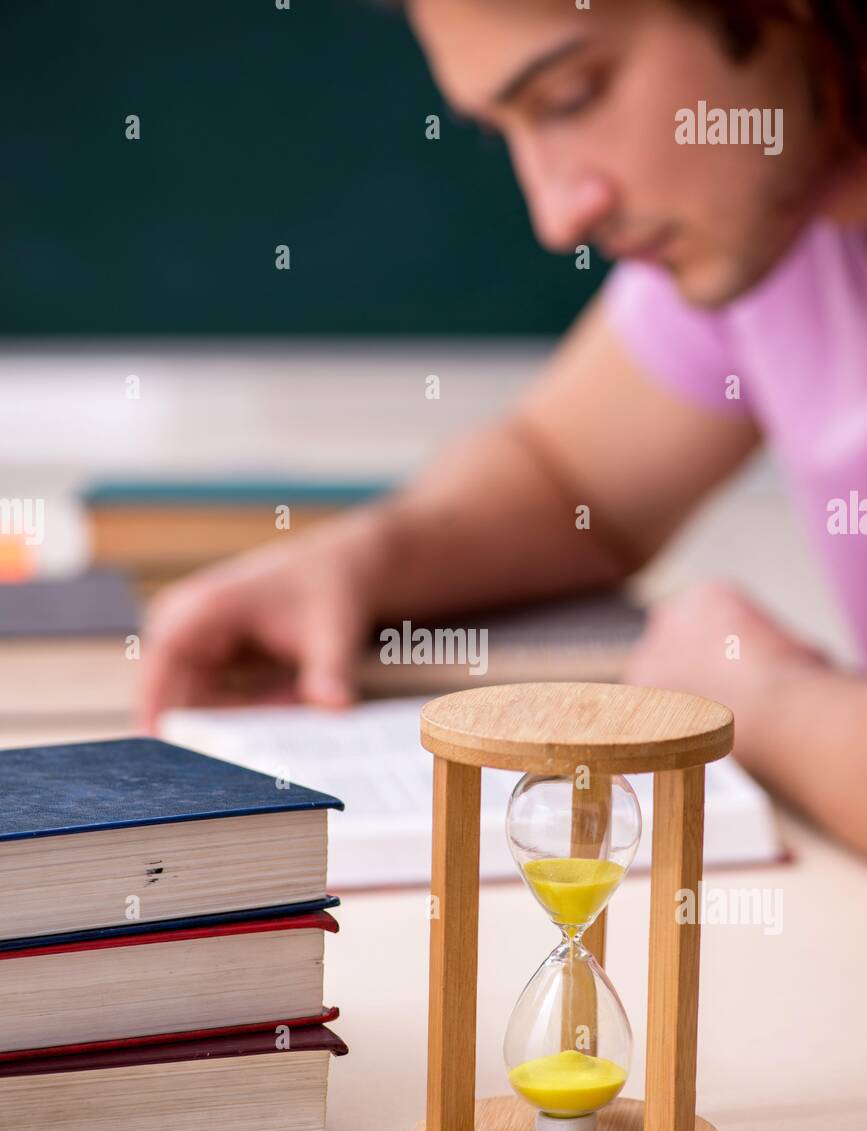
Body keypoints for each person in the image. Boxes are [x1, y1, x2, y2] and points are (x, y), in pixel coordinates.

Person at [140, 0, 867, 851]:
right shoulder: (769, 224)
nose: (558, 218)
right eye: (502, 131)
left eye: (569, 97)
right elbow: (567, 476)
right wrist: (355, 563)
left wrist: (767, 700)